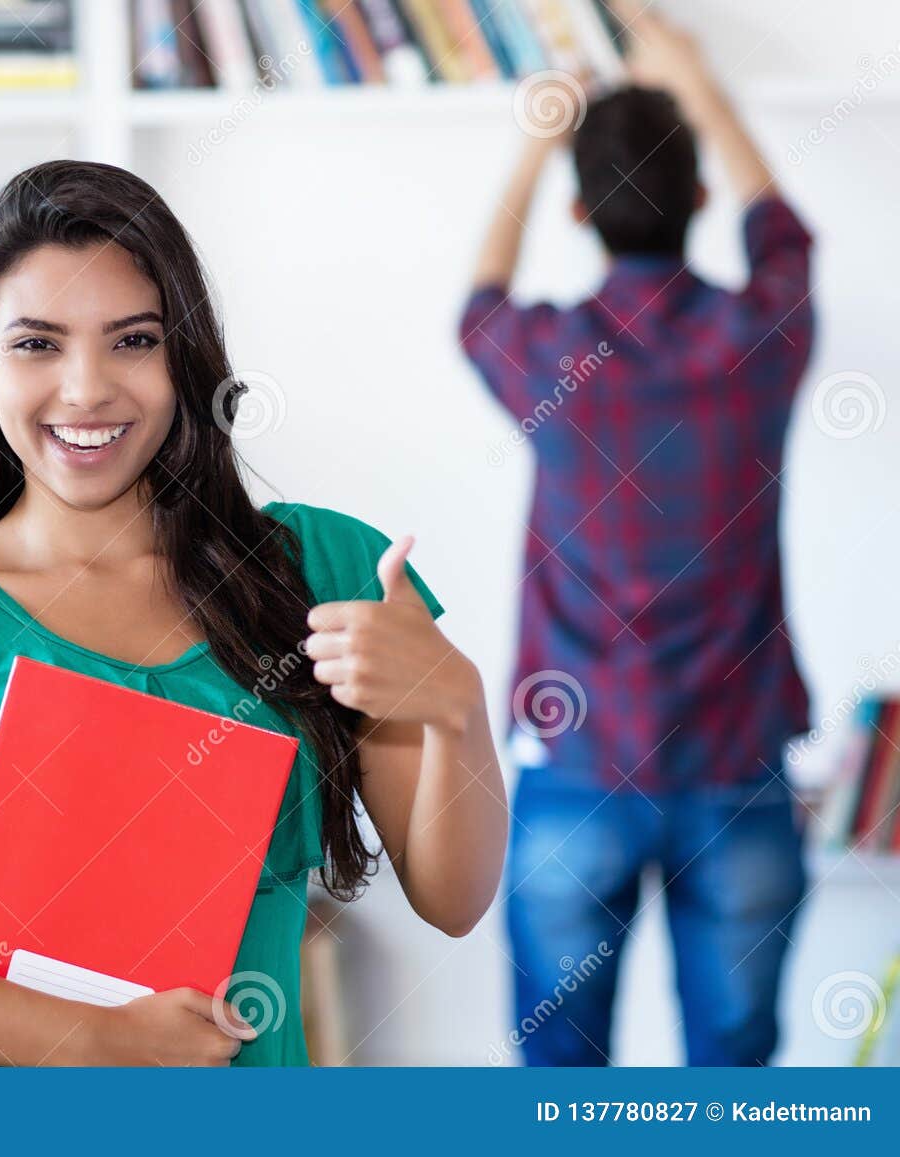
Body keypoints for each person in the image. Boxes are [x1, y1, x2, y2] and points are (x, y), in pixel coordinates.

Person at [0, 159, 508, 1067]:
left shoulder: (316, 570)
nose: (87, 388)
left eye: (132, 340)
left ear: (185, 356)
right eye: (37, 344)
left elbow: (454, 900)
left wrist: (454, 704)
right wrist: (95, 1040)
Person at [458, 9, 815, 1065]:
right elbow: (786, 235)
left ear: (578, 209)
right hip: (734, 766)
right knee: (735, 1079)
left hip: (578, 768)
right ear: (698, 199)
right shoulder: (759, 338)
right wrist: (699, 85)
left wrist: (535, 135)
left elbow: (477, 300)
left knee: (558, 1081)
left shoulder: (544, 355)